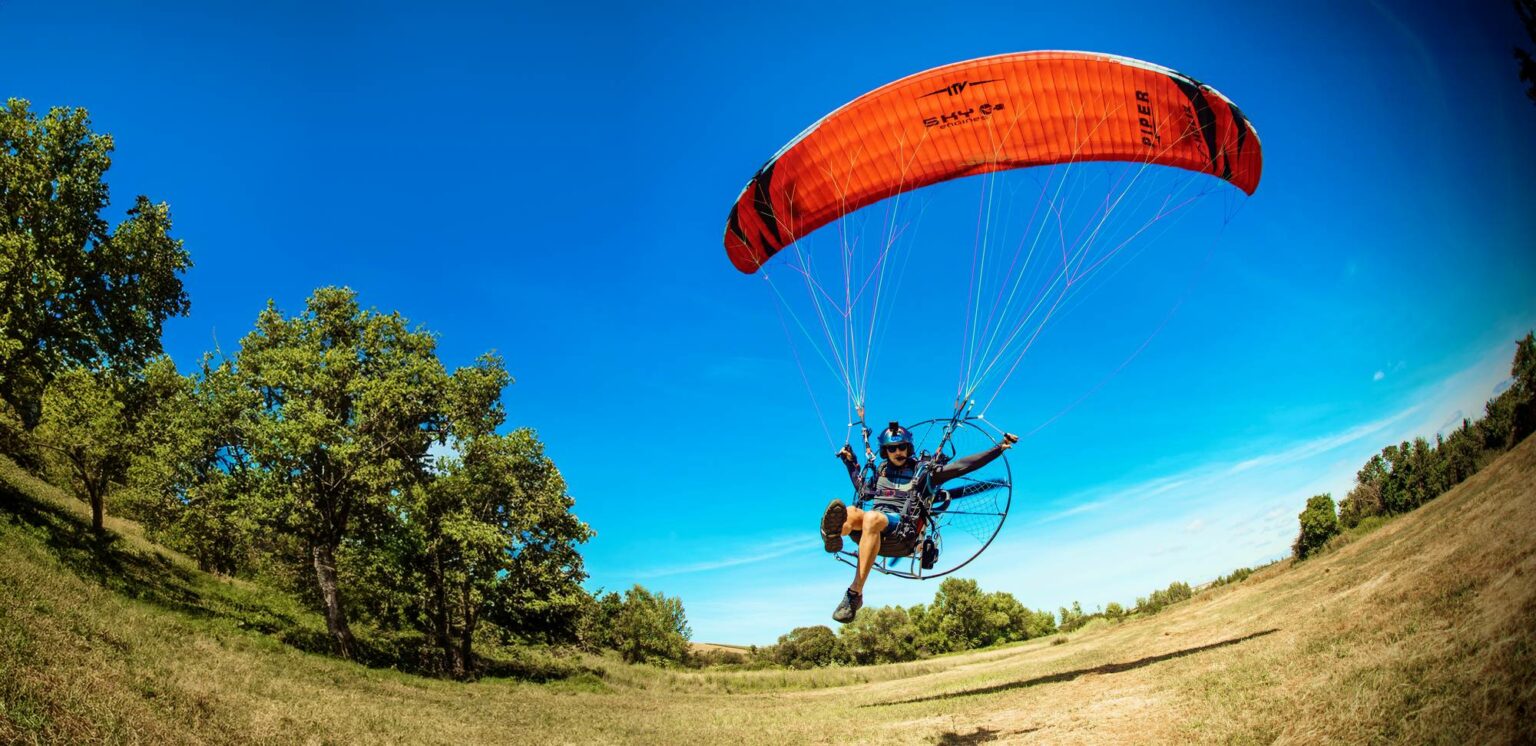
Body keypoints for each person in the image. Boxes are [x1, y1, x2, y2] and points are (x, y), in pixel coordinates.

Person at [820, 422, 1017, 623]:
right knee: (850, 512)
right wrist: (849, 461)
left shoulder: (923, 474)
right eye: (892, 448)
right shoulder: (880, 473)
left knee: (872, 517)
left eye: (902, 447)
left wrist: (998, 448)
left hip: (902, 533)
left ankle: (854, 594)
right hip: (871, 533)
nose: (898, 452)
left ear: (909, 447)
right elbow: (861, 488)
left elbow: (961, 466)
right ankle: (833, 535)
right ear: (885, 451)